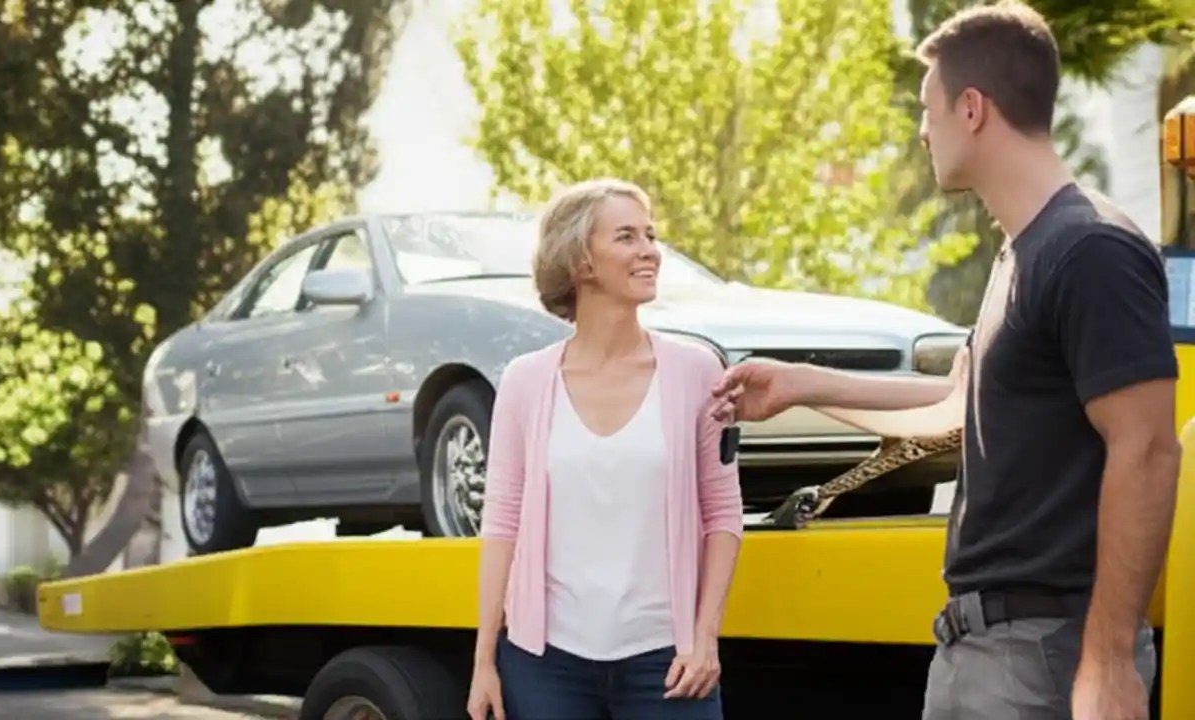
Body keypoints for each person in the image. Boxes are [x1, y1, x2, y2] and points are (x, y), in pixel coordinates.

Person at [711, 3, 1181, 719]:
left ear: (971, 108)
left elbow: (1147, 449)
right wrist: (801, 385)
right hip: (980, 647)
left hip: (1047, 653)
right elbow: (956, 407)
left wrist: (1110, 659)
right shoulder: (1023, 251)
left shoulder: (1091, 250)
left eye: (927, 109)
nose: (921, 129)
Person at [466, 177, 744, 720]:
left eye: (651, 235)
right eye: (626, 237)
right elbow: (501, 523)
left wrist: (704, 637)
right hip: (545, 664)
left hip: (667, 661)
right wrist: (483, 662)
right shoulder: (525, 381)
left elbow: (723, 513)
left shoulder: (696, 371)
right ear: (580, 262)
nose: (650, 251)